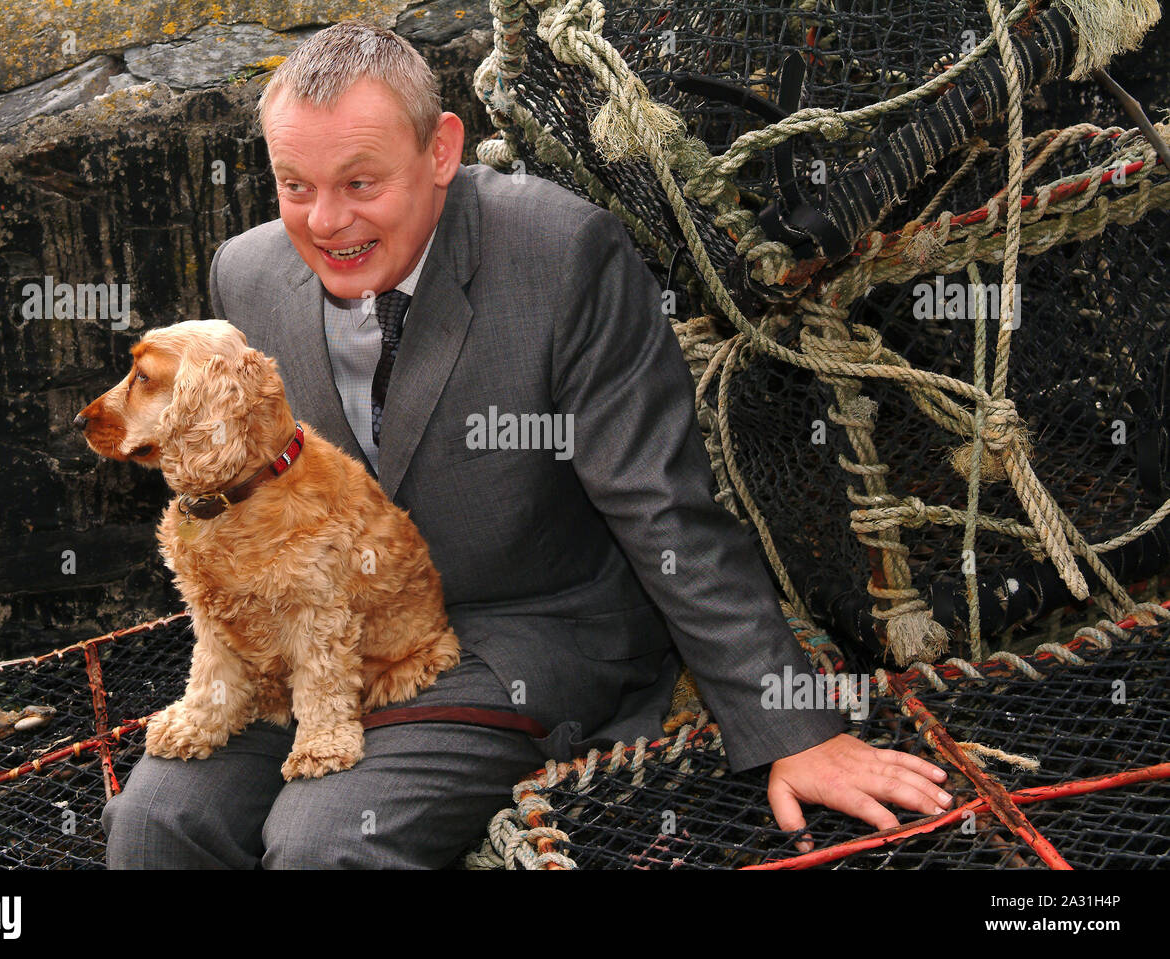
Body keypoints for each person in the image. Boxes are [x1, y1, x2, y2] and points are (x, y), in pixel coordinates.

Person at [102, 21, 951, 868]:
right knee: (157, 823)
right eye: (295, 186)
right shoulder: (243, 276)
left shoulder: (563, 252)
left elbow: (662, 507)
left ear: (440, 151)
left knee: (323, 839)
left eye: (361, 182)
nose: (325, 221)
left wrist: (792, 727)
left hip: (526, 629)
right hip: (322, 633)